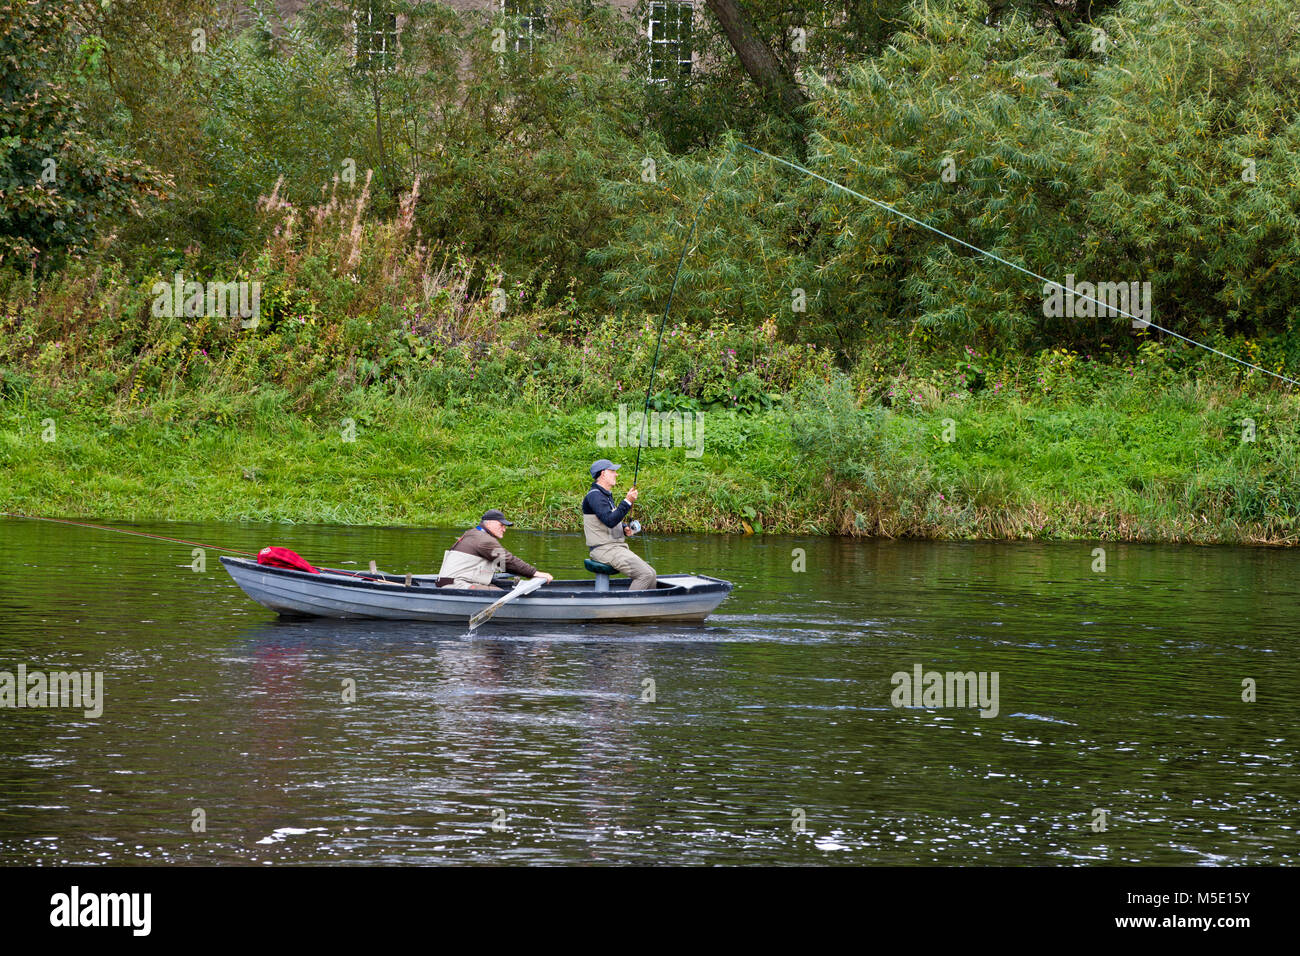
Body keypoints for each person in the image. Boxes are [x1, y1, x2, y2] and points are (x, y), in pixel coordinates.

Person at [582, 459, 657, 590]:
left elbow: (607, 518)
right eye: (613, 471)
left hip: (615, 548)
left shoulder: (605, 495)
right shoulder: (594, 496)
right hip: (604, 550)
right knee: (645, 575)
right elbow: (609, 520)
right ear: (603, 474)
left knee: (652, 573)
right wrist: (627, 502)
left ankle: (645, 606)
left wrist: (623, 528)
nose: (616, 474)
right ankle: (628, 608)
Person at [436, 509, 553, 589]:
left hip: (448, 582)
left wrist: (522, 573)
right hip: (456, 584)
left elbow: (502, 564)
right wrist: (535, 573)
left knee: (500, 587)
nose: (504, 529)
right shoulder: (484, 540)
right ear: (489, 523)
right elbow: (508, 561)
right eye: (501, 525)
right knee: (499, 593)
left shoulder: (472, 533)